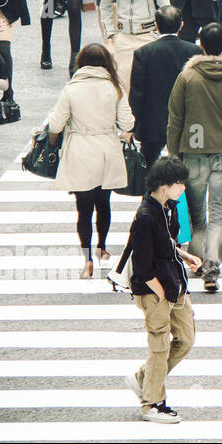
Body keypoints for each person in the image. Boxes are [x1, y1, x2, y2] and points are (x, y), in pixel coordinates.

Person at [167, 22, 222, 292]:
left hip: (192, 151)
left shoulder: (188, 77)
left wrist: (173, 152)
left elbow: (176, 118)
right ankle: (213, 266)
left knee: (197, 214)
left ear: (201, 45)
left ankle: (196, 261)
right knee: (218, 213)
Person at [125, 156, 202, 424]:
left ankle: (144, 379)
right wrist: (159, 293)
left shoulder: (167, 207)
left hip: (174, 284)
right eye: (179, 182)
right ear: (164, 185)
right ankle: (152, 403)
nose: (183, 187)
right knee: (159, 348)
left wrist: (184, 255)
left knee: (186, 339)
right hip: (155, 289)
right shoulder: (146, 216)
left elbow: (166, 244)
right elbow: (142, 266)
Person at [48, 44, 135, 278]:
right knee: (103, 203)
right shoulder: (115, 87)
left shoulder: (71, 89)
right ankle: (102, 247)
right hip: (107, 148)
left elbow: (56, 124)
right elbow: (127, 123)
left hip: (80, 150)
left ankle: (86, 259)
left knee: (83, 209)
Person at [128, 7, 198, 168]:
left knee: (150, 167)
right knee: (185, 168)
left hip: (152, 120)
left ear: (157, 26)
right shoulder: (194, 51)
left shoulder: (143, 53)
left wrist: (131, 125)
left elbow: (137, 92)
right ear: (181, 25)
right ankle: (180, 194)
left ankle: (152, 193)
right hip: (186, 120)